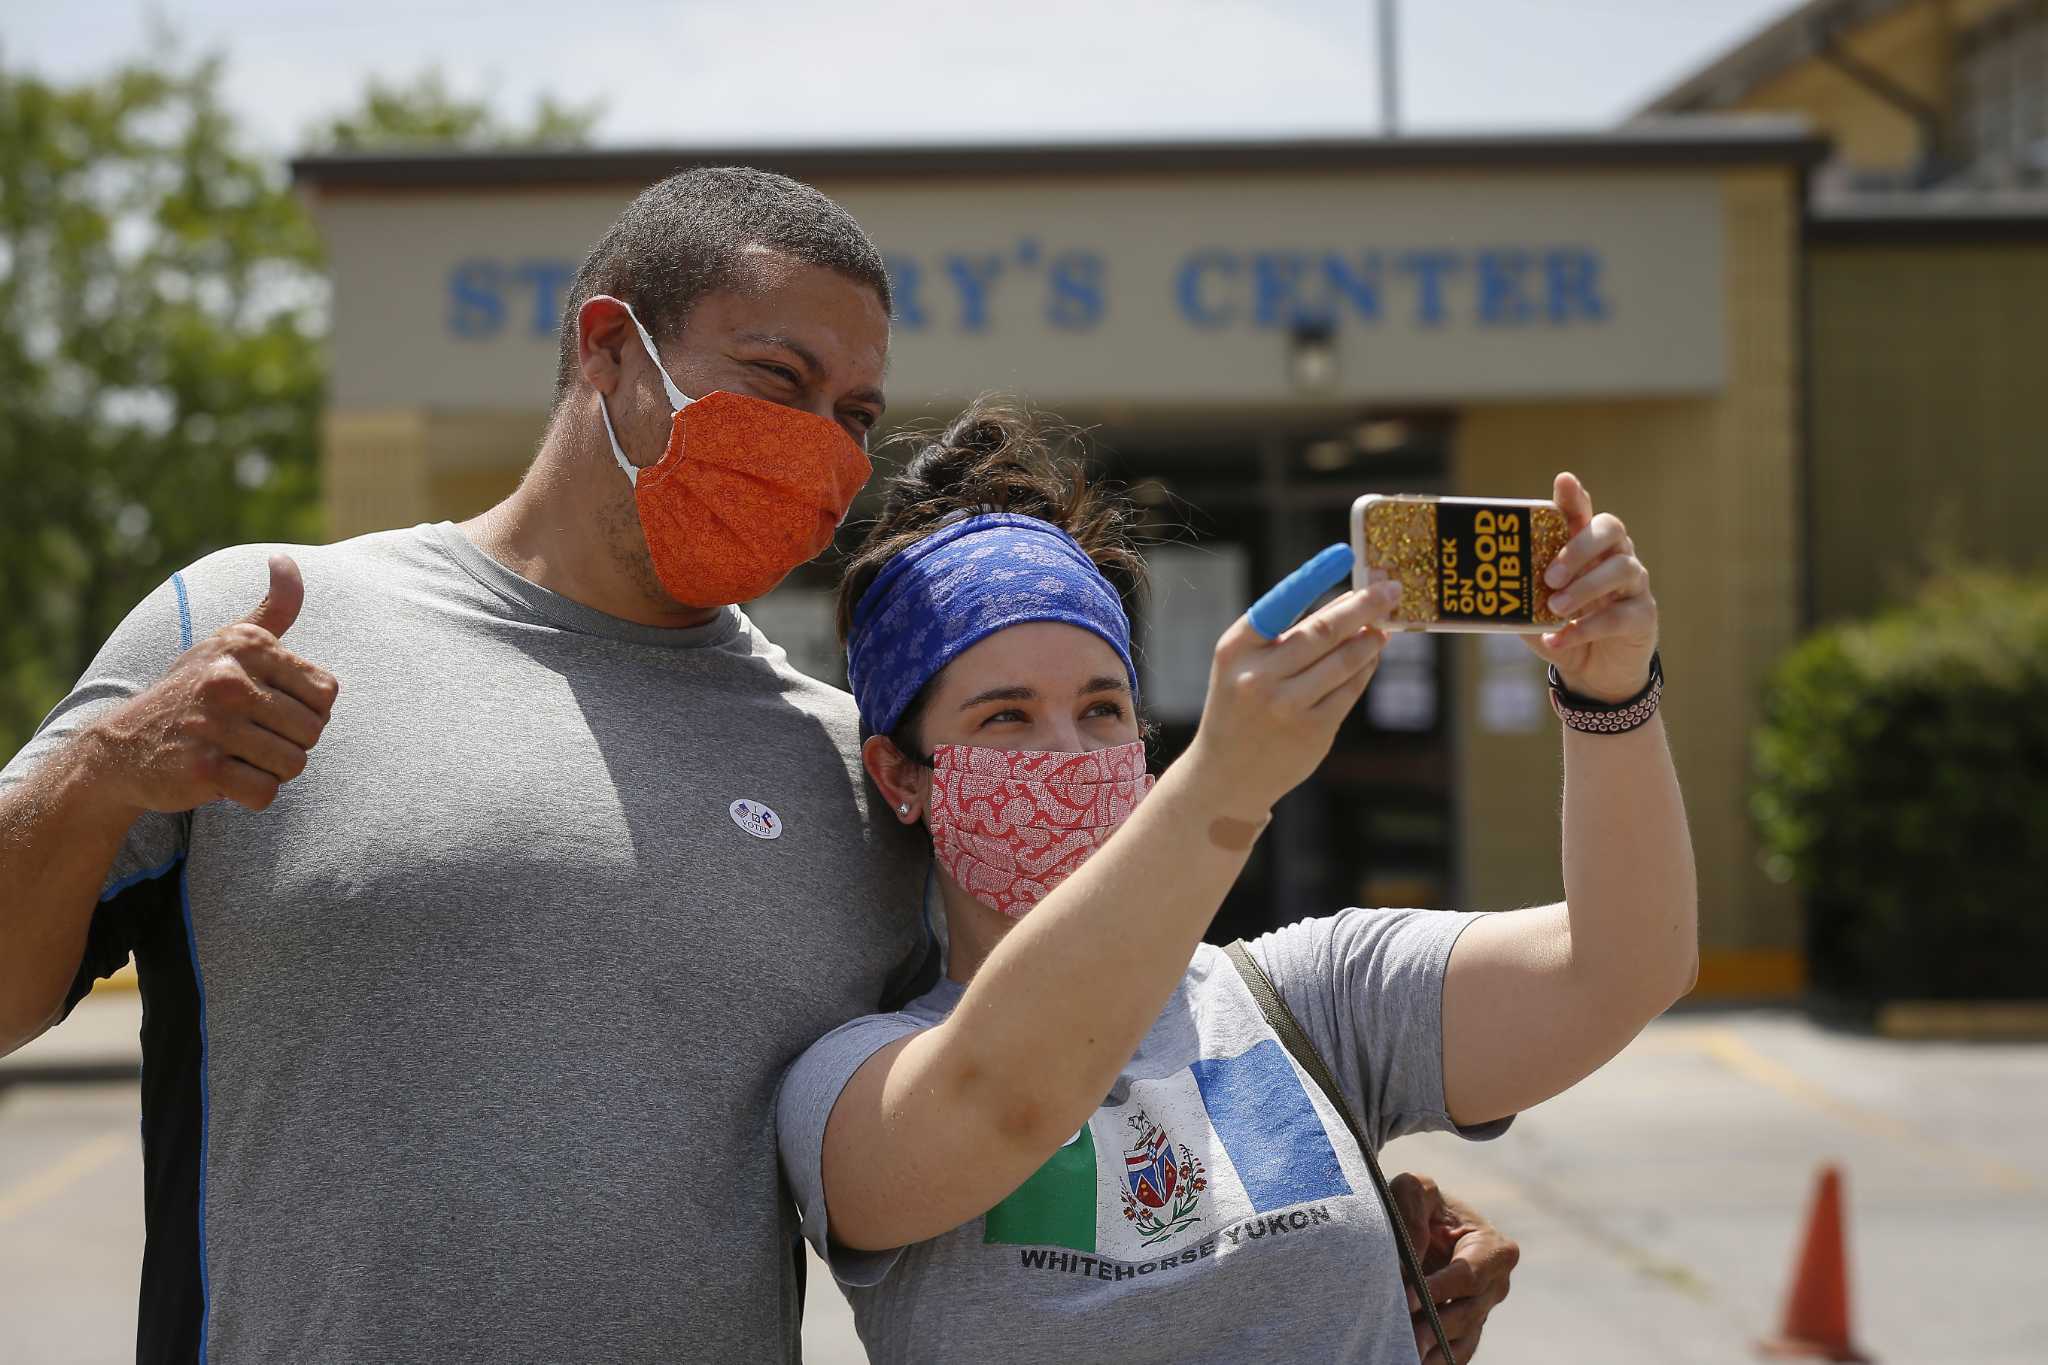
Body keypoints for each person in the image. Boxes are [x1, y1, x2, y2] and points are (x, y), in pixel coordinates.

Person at [0, 169, 1514, 1362]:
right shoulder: (252, 620)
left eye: (858, 416)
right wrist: (103, 777)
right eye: (778, 382)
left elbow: (1038, 1067)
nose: (825, 451)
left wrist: (1330, 1221)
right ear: (613, 350)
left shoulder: (836, 763)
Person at [777, 404, 1696, 1363]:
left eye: (1102, 708)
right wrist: (1221, 788)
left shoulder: (1307, 997)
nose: (1069, 750)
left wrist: (1612, 696)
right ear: (901, 776)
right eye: (1007, 717)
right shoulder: (853, 1078)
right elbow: (1004, 1098)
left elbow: (1624, 968)